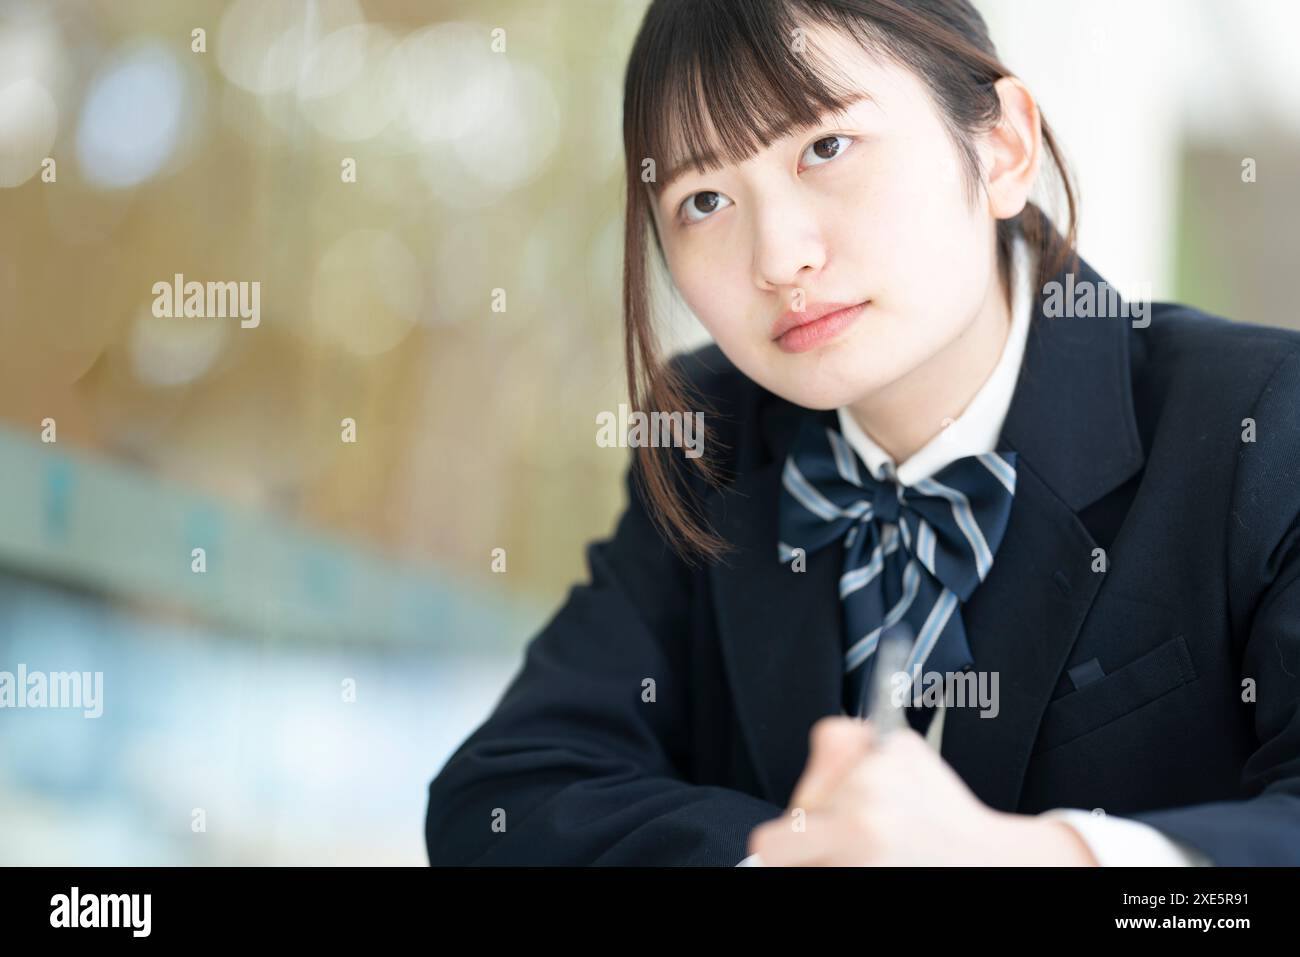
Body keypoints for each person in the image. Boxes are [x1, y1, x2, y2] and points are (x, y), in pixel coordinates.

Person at [425, 0, 1300, 865]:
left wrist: (1043, 860)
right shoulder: (708, 441)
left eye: (826, 147)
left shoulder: (1263, 422)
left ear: (1001, 146)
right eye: (703, 200)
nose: (777, 257)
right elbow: (502, 796)